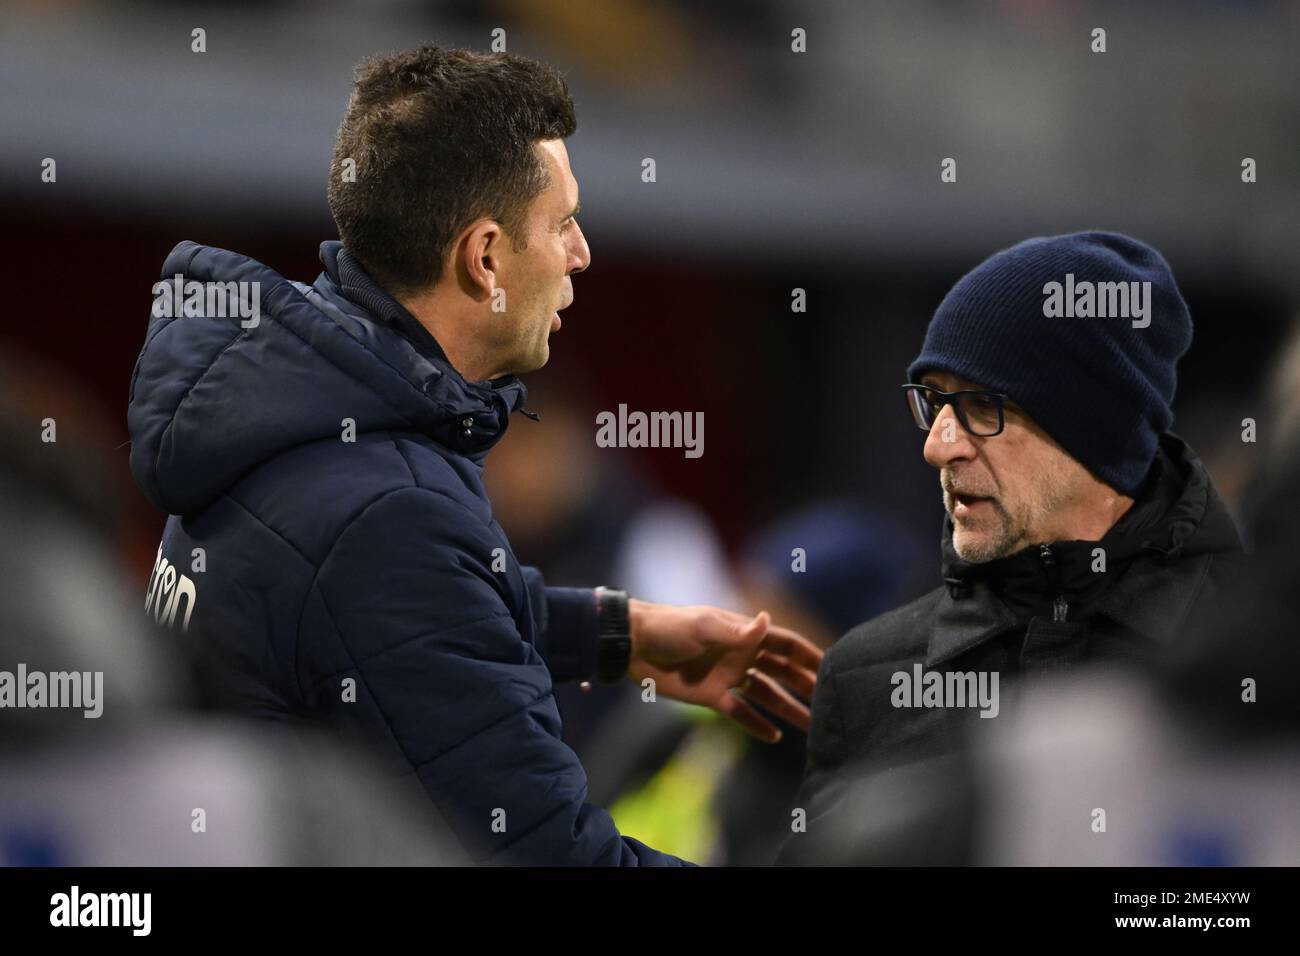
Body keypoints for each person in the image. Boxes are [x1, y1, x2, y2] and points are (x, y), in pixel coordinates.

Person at [127, 45, 820, 866]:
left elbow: (391, 624)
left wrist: (614, 635)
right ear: (485, 258)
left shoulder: (292, 400)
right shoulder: (387, 510)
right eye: (562, 224)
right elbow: (551, 856)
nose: (582, 253)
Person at [779, 231, 1245, 864]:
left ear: (1094, 429)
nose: (938, 446)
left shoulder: (1249, 669)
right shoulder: (868, 678)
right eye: (935, 402)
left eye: (980, 405)